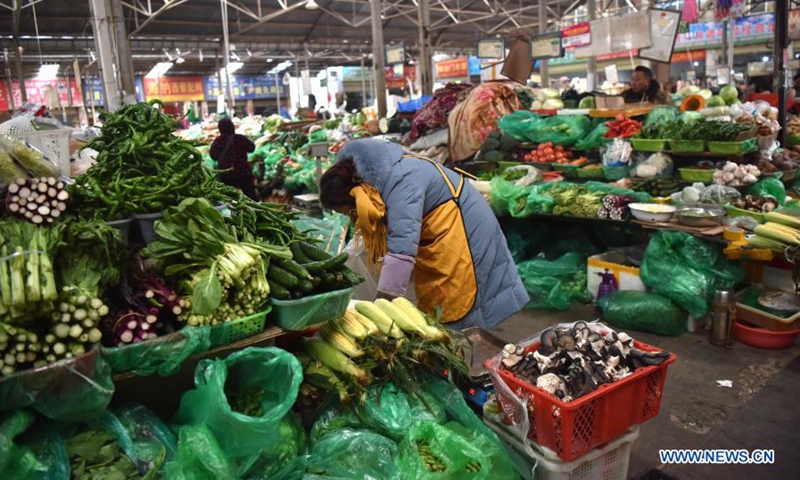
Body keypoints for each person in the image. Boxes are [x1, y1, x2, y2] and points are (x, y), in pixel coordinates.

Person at [319, 138, 529, 330]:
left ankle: (462, 353)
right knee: (436, 301)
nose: (353, 217)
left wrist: (383, 307)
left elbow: (402, 249)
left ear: (355, 194)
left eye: (349, 211)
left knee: (456, 300)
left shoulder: (402, 182)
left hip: (464, 231)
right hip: (443, 233)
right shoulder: (379, 180)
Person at [210, 118, 257, 200]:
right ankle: (256, 211)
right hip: (243, 172)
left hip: (226, 174)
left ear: (220, 129)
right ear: (232, 127)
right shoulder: (240, 138)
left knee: (229, 199)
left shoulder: (218, 141)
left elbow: (213, 156)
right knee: (250, 196)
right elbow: (252, 148)